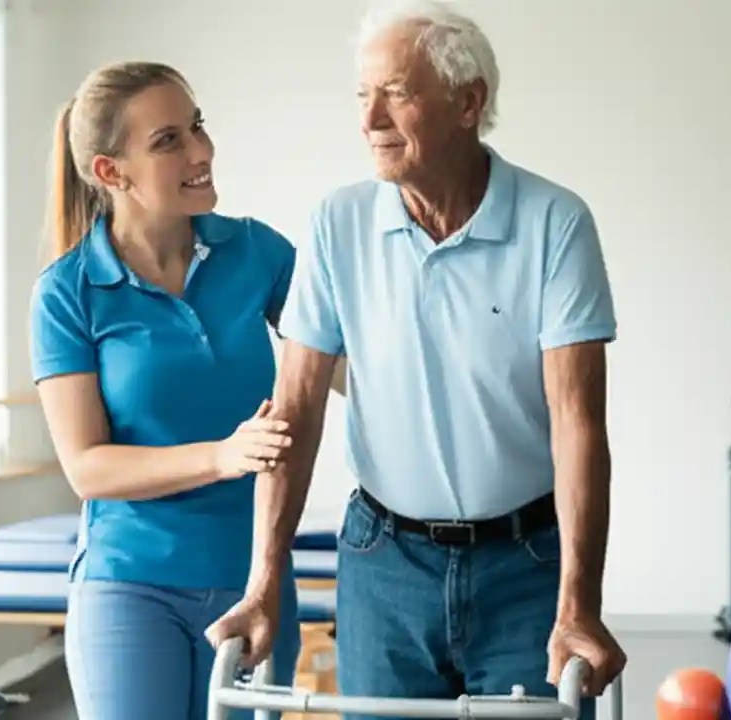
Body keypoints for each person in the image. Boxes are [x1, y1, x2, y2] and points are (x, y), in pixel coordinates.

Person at [206, 1, 628, 718]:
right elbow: (297, 411)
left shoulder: (555, 221)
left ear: (469, 102)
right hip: (385, 562)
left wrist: (579, 601)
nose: (369, 119)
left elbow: (577, 422)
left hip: (524, 561)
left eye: (396, 93)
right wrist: (262, 583)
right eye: (362, 96)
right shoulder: (338, 223)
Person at [29, 61, 305, 720]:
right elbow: (87, 466)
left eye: (198, 127)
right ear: (110, 172)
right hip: (129, 586)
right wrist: (223, 455)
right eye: (169, 141)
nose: (201, 151)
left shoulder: (259, 254)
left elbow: (351, 368)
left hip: (255, 582)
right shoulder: (67, 293)